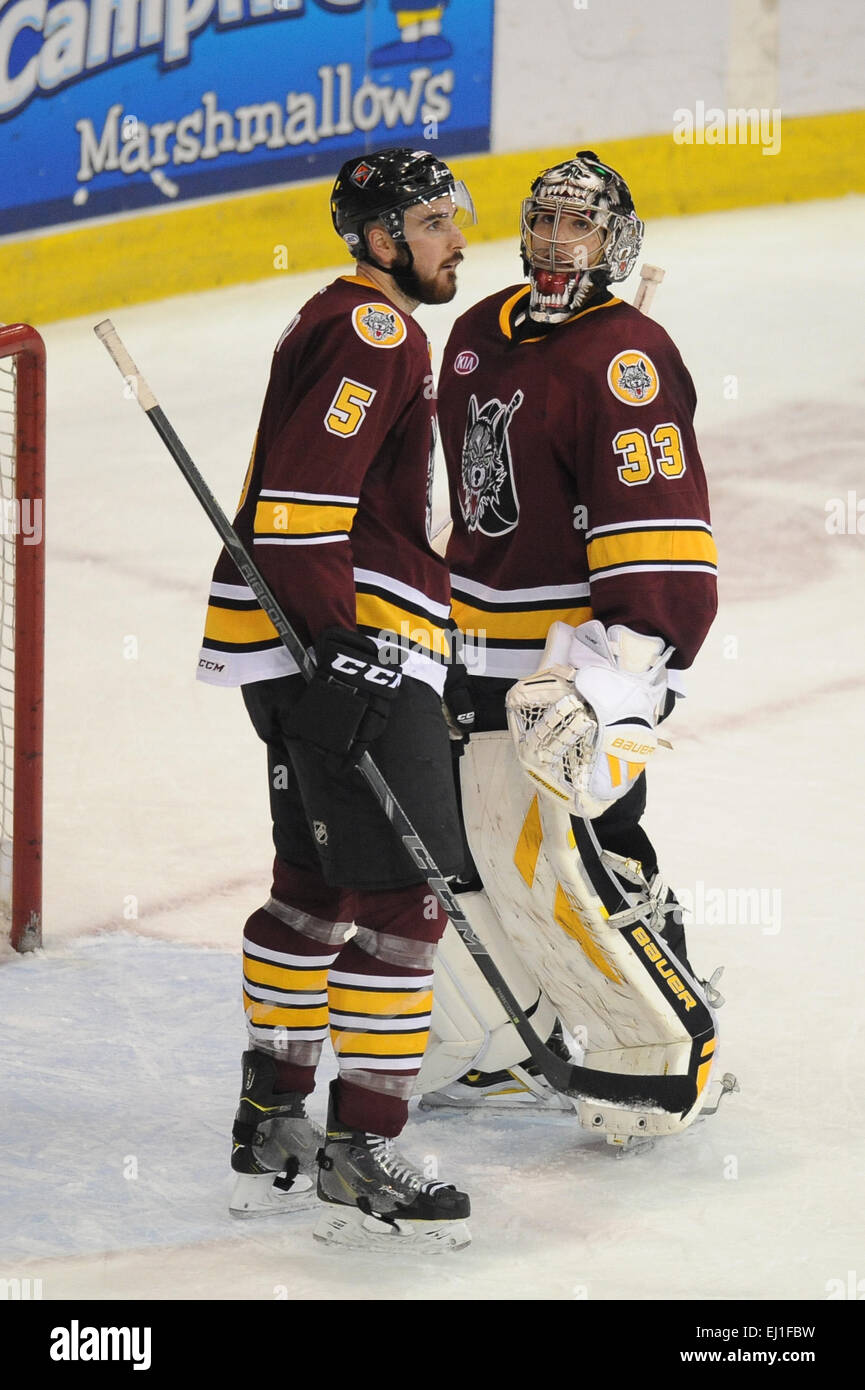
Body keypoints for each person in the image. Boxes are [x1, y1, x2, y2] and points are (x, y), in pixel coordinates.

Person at [196, 148, 476, 1251]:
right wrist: (340, 653)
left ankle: (272, 1116)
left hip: (289, 642)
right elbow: (304, 509)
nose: (458, 239)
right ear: (379, 237)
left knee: (310, 883)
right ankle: (361, 1151)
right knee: (406, 902)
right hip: (347, 635)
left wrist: (311, 648)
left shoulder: (334, 317)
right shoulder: (375, 330)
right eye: (437, 222)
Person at [428, 150, 719, 1110]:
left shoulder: (626, 359)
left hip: (573, 660)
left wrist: (622, 673)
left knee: (594, 852)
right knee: (470, 849)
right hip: (472, 641)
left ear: (615, 242)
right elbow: (475, 501)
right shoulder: (474, 332)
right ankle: (519, 1029)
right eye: (543, 221)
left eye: (579, 227)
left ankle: (679, 1037)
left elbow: (663, 534)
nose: (555, 243)